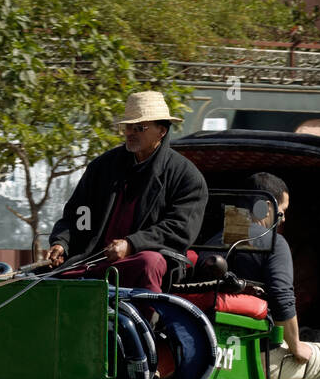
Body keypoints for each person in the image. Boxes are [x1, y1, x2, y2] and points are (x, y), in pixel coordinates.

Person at [200, 172, 320, 379]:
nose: (283, 219)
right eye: (282, 211)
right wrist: (296, 346)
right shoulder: (274, 242)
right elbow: (283, 297)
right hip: (253, 358)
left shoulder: (209, 241)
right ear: (266, 207)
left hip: (204, 355)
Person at [45, 90, 207, 291]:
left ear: (162, 131)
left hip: (143, 262)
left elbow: (179, 228)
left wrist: (131, 245)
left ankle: (149, 320)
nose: (130, 132)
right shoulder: (102, 167)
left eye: (139, 127)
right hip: (94, 259)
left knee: (148, 262)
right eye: (127, 126)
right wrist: (62, 243)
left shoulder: (186, 176)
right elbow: (80, 214)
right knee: (39, 281)